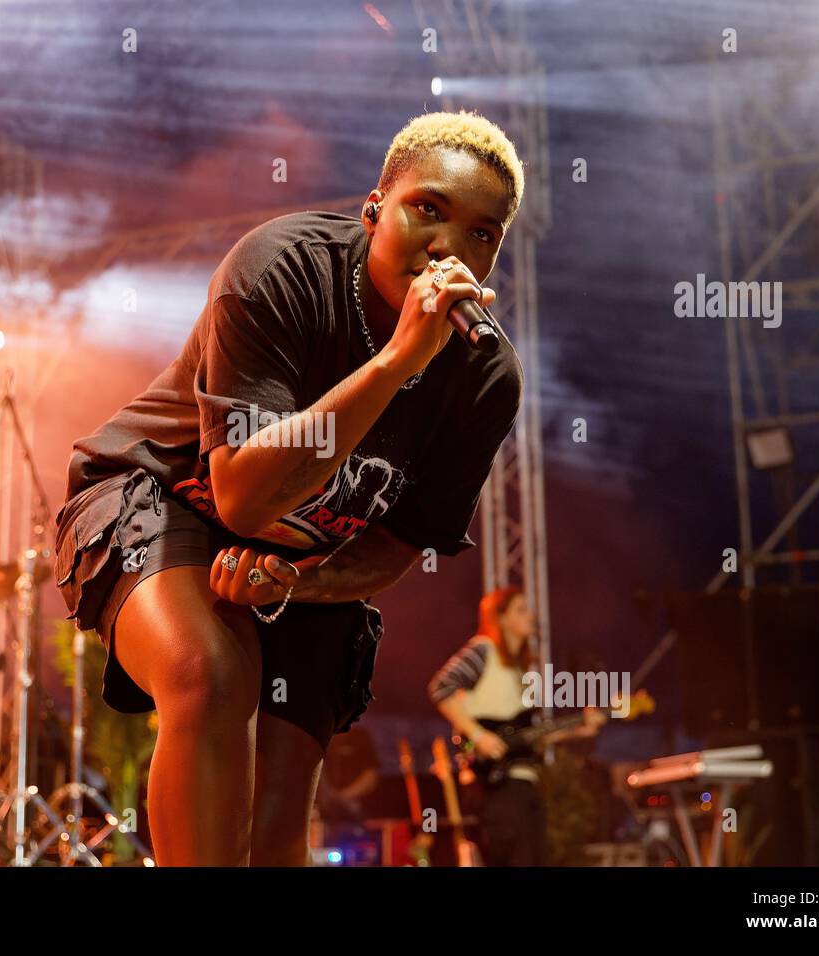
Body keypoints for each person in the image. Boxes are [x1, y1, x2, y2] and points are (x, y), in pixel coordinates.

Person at [55, 110, 525, 866]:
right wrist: (396, 363)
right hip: (161, 498)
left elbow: (397, 548)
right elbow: (240, 496)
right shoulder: (281, 267)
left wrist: (290, 587)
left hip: (297, 565)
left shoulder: (484, 376)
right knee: (209, 674)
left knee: (275, 832)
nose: (448, 245)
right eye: (427, 210)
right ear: (375, 209)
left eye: (481, 232)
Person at [428, 587, 604, 866]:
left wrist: (578, 728)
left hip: (525, 784)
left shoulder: (522, 672)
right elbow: (440, 687)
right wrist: (478, 735)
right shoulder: (482, 649)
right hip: (496, 784)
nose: (530, 616)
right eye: (521, 609)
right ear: (500, 617)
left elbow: (532, 736)